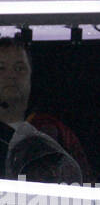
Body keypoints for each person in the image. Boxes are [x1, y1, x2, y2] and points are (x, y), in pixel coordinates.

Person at [0, 37, 93, 183]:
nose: (11, 76)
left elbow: (87, 188)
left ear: (31, 77)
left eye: (19, 68)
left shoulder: (57, 133)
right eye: (1, 68)